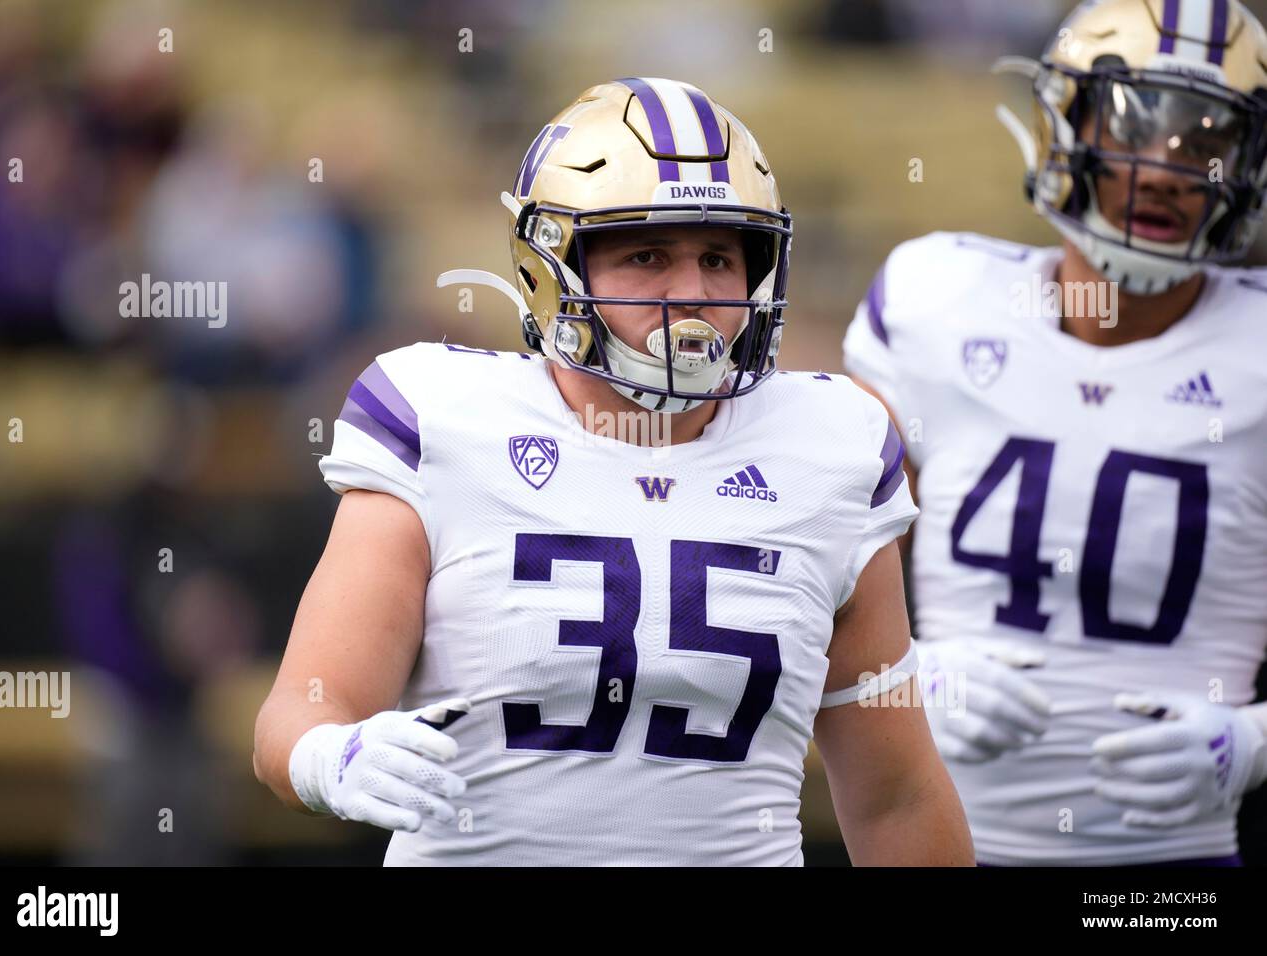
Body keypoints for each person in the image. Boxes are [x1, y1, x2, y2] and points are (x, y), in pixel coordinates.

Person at [254, 77, 972, 866]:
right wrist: (329, 759)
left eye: (719, 257)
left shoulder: (830, 450)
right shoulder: (442, 422)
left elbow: (896, 795)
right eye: (647, 255)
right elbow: (302, 709)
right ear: (550, 267)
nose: (692, 292)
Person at [843, 0, 1267, 865]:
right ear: (1062, 122)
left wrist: (1256, 743)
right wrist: (903, 680)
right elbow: (799, 576)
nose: (1168, 169)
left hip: (1173, 877)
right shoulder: (935, 301)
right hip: (938, 845)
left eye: (1208, 139)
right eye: (1134, 122)